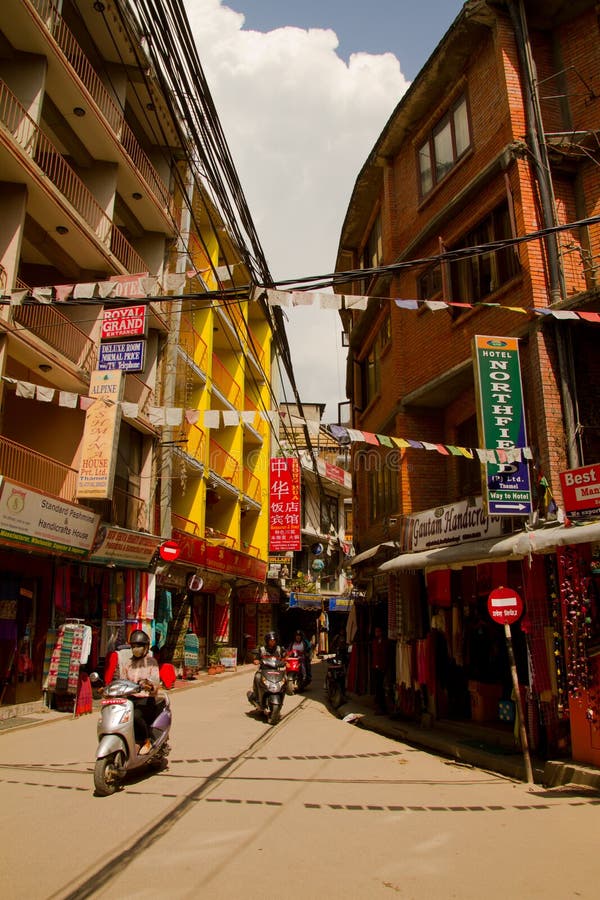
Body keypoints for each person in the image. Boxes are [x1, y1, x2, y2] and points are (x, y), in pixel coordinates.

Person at [118, 629, 161, 754]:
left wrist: (149, 685)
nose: (136, 648)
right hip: (130, 699)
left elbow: (155, 682)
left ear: (146, 647)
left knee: (135, 715)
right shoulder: (128, 664)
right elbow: (122, 680)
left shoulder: (152, 663)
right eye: (134, 646)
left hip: (146, 699)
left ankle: (146, 740)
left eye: (139, 646)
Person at [247, 631, 285, 704]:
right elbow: (257, 658)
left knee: (284, 679)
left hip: (276, 671)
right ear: (267, 641)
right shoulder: (262, 649)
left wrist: (286, 661)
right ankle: (256, 696)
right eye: (270, 640)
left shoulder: (279, 649)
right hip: (263, 671)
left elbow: (285, 656)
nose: (272, 642)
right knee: (257, 677)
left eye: (274, 640)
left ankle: (281, 696)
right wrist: (256, 660)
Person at [371, 625, 390, 714]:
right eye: (376, 631)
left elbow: (385, 655)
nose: (377, 633)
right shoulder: (374, 641)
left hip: (382, 667)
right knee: (378, 687)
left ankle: (382, 707)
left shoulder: (385, 642)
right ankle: (379, 707)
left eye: (378, 631)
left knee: (381, 687)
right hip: (376, 666)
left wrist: (383, 666)